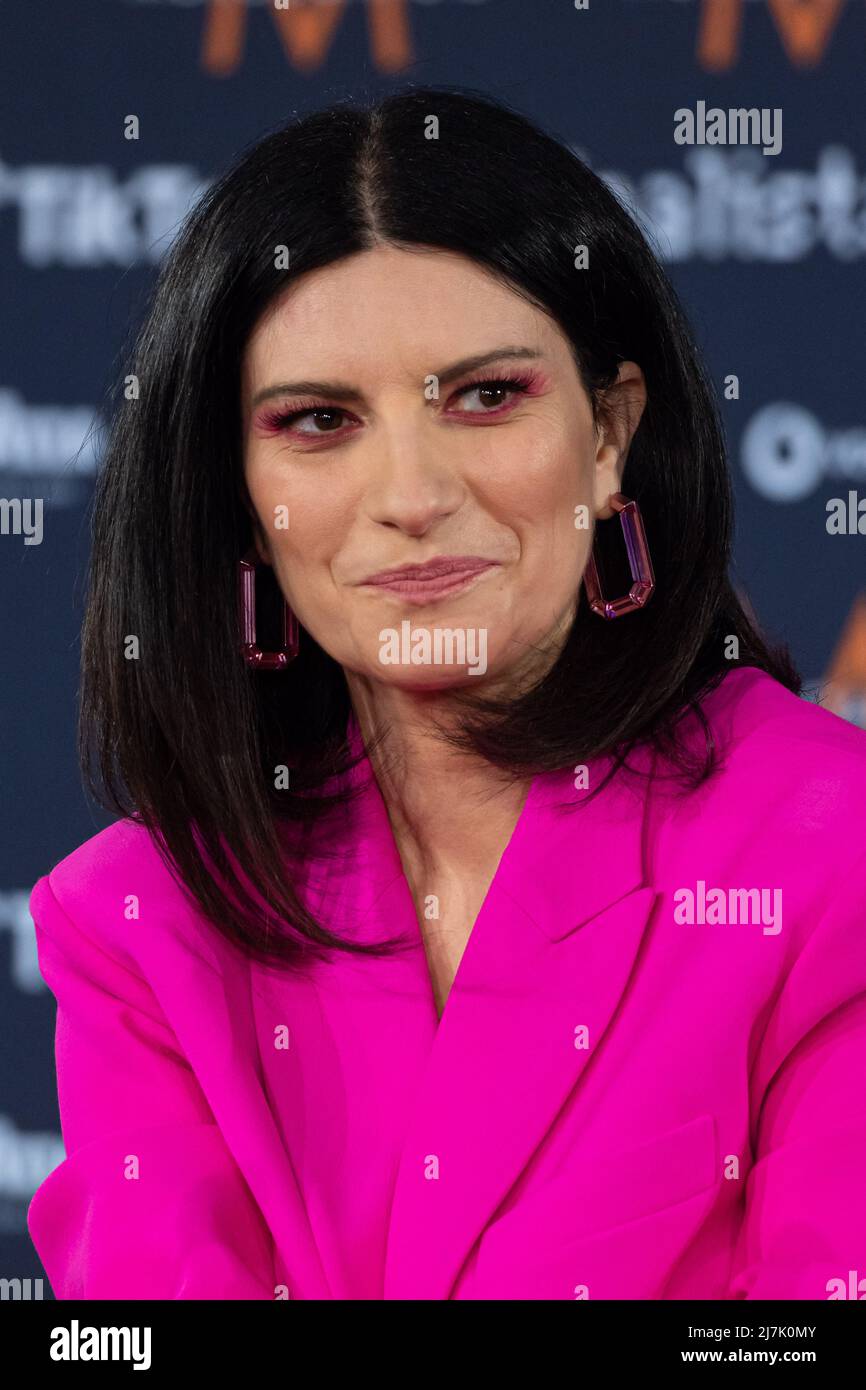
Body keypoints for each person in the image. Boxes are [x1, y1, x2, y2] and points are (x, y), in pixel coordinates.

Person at [27, 86, 866, 1300]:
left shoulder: (828, 846)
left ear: (608, 435)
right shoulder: (144, 922)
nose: (410, 493)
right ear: (238, 499)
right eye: (318, 421)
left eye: (484, 397)